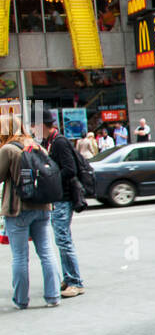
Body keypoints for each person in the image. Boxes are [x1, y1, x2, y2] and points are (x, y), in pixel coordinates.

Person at [0, 122, 62, 308]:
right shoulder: (36, 145)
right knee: (47, 251)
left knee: (19, 256)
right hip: (43, 206)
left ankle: (21, 300)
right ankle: (53, 296)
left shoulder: (9, 149)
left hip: (18, 207)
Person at [39, 112, 85, 298]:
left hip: (63, 197)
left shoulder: (59, 142)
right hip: (57, 197)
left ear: (44, 125)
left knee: (63, 239)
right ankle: (69, 277)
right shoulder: (49, 142)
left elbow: (70, 169)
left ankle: (75, 281)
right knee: (61, 239)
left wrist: (50, 178)